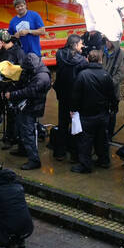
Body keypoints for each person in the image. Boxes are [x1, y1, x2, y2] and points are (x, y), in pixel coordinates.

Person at [72, 48, 116, 173]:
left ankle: (85, 165)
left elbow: (76, 96)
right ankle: (104, 160)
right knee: (102, 138)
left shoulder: (82, 75)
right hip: (102, 113)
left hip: (87, 114)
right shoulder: (106, 75)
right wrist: (113, 108)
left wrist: (73, 110)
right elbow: (112, 95)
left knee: (85, 140)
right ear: (100, 60)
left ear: (88, 59)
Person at [6, 52, 51, 170]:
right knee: (21, 128)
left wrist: (12, 95)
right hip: (26, 105)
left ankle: (34, 160)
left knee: (28, 132)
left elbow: (29, 91)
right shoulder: (33, 70)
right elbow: (22, 82)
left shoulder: (42, 77)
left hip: (32, 107)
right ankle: (23, 149)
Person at [51, 34, 86, 164]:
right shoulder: (82, 61)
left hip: (62, 95)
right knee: (76, 125)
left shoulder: (59, 54)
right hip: (75, 97)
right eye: (81, 44)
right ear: (75, 45)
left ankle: (59, 152)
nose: (82, 46)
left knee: (62, 124)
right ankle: (74, 155)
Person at [102, 33, 124, 131]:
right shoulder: (102, 52)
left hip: (112, 92)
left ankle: (109, 135)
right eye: (106, 40)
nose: (107, 43)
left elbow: (120, 75)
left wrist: (108, 84)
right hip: (99, 90)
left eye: (109, 41)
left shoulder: (122, 56)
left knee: (111, 115)